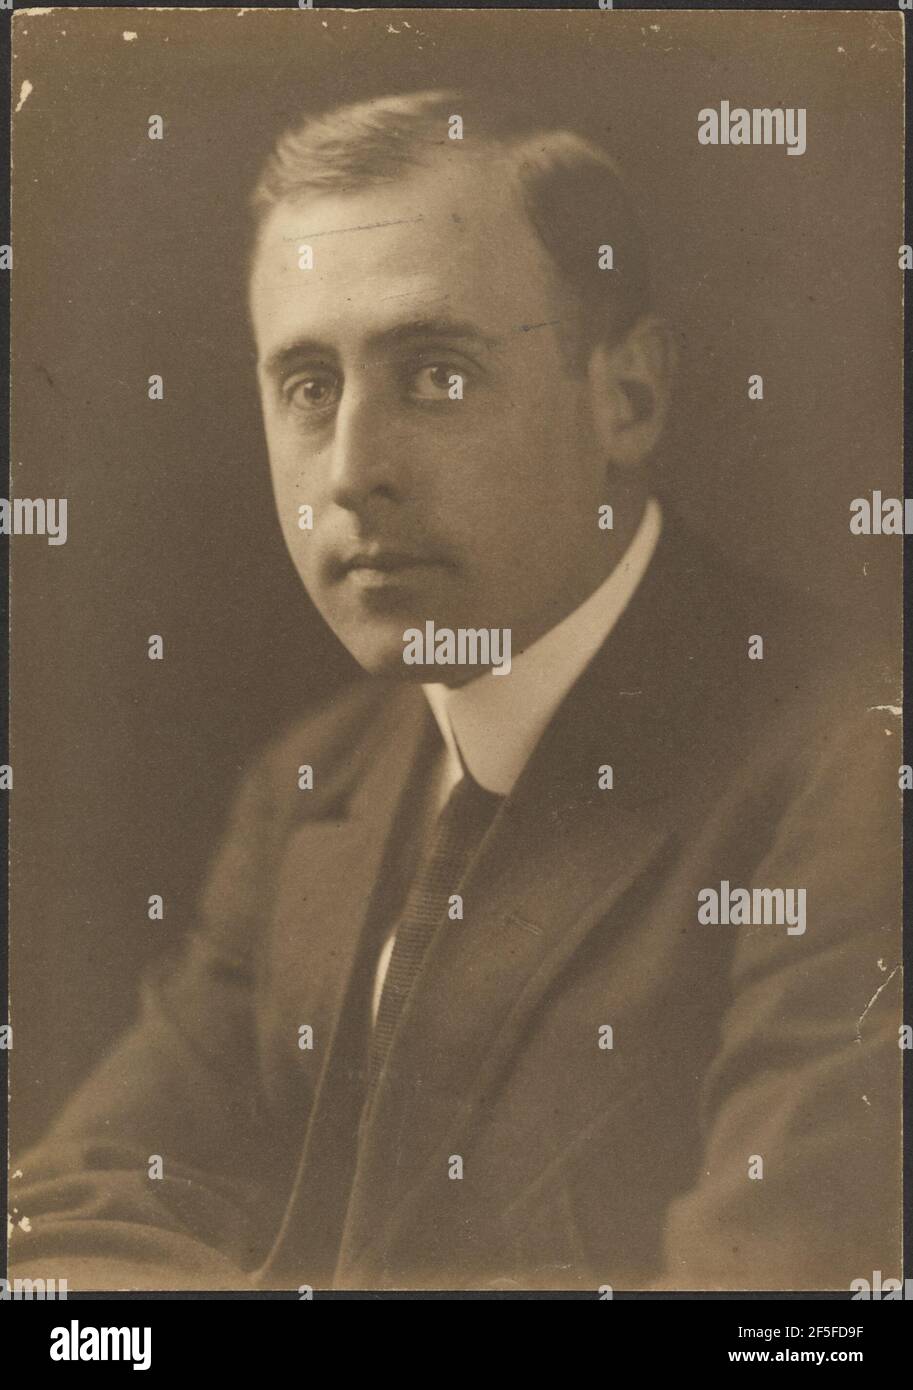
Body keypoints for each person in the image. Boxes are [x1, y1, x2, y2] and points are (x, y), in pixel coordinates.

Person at [10, 90, 901, 1293]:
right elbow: (67, 1215)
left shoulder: (854, 770)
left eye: (436, 374)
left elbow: (786, 1318)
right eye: (309, 385)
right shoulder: (313, 779)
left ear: (627, 396)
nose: (353, 470)